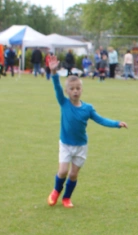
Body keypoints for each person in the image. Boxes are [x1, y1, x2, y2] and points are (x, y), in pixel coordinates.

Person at [46, 57, 127, 208]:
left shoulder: (87, 108)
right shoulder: (64, 103)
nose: (75, 91)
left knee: (73, 174)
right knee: (62, 171)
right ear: (67, 91)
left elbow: (101, 120)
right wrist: (54, 72)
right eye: (72, 89)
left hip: (81, 146)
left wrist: (117, 124)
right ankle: (56, 191)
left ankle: (66, 198)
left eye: (78, 88)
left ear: (82, 90)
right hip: (65, 144)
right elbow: (56, 86)